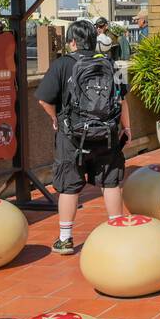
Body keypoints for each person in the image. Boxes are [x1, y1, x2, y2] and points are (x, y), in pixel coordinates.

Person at [36, 20, 132, 255]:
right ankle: (117, 231)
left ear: (71, 42)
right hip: (107, 134)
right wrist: (126, 128)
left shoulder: (61, 65)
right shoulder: (111, 64)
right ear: (94, 40)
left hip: (72, 137)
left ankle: (66, 239)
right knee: (110, 182)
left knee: (69, 186)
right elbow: (121, 100)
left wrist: (56, 119)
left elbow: (43, 99)